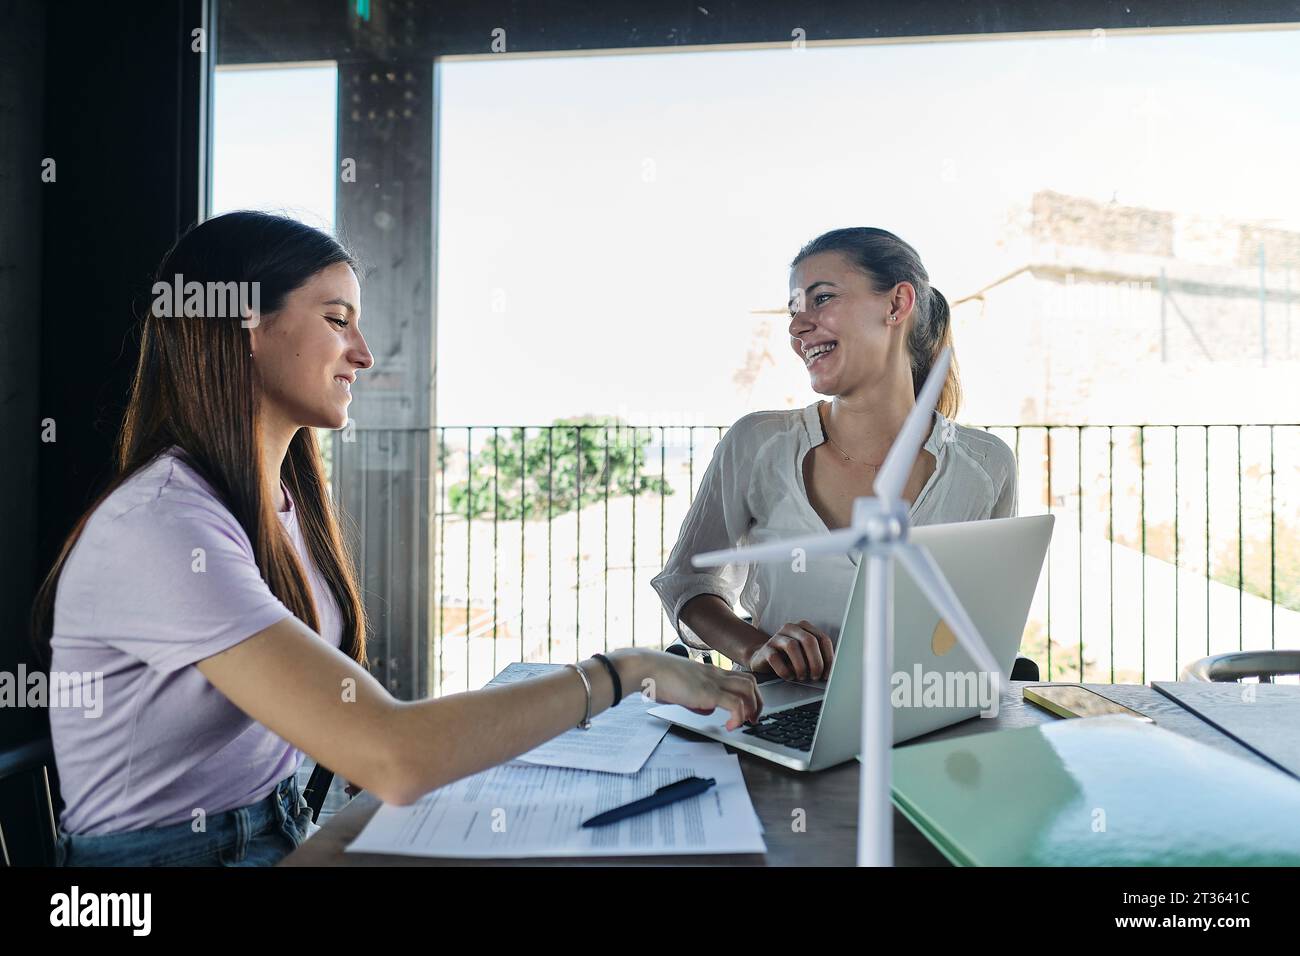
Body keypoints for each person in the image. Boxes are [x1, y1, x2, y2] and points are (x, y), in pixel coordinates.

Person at [33, 211, 760, 867]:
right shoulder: (163, 525)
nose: (364, 353)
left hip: (281, 828)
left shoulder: (279, 503)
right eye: (337, 319)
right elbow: (390, 752)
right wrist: (622, 672)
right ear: (245, 326)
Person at [652, 227, 1017, 682]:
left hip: (921, 730)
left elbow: (987, 621)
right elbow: (688, 584)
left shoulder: (987, 466)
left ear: (896, 304)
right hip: (776, 724)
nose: (797, 327)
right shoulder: (757, 443)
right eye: (793, 311)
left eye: (821, 299)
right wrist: (757, 647)